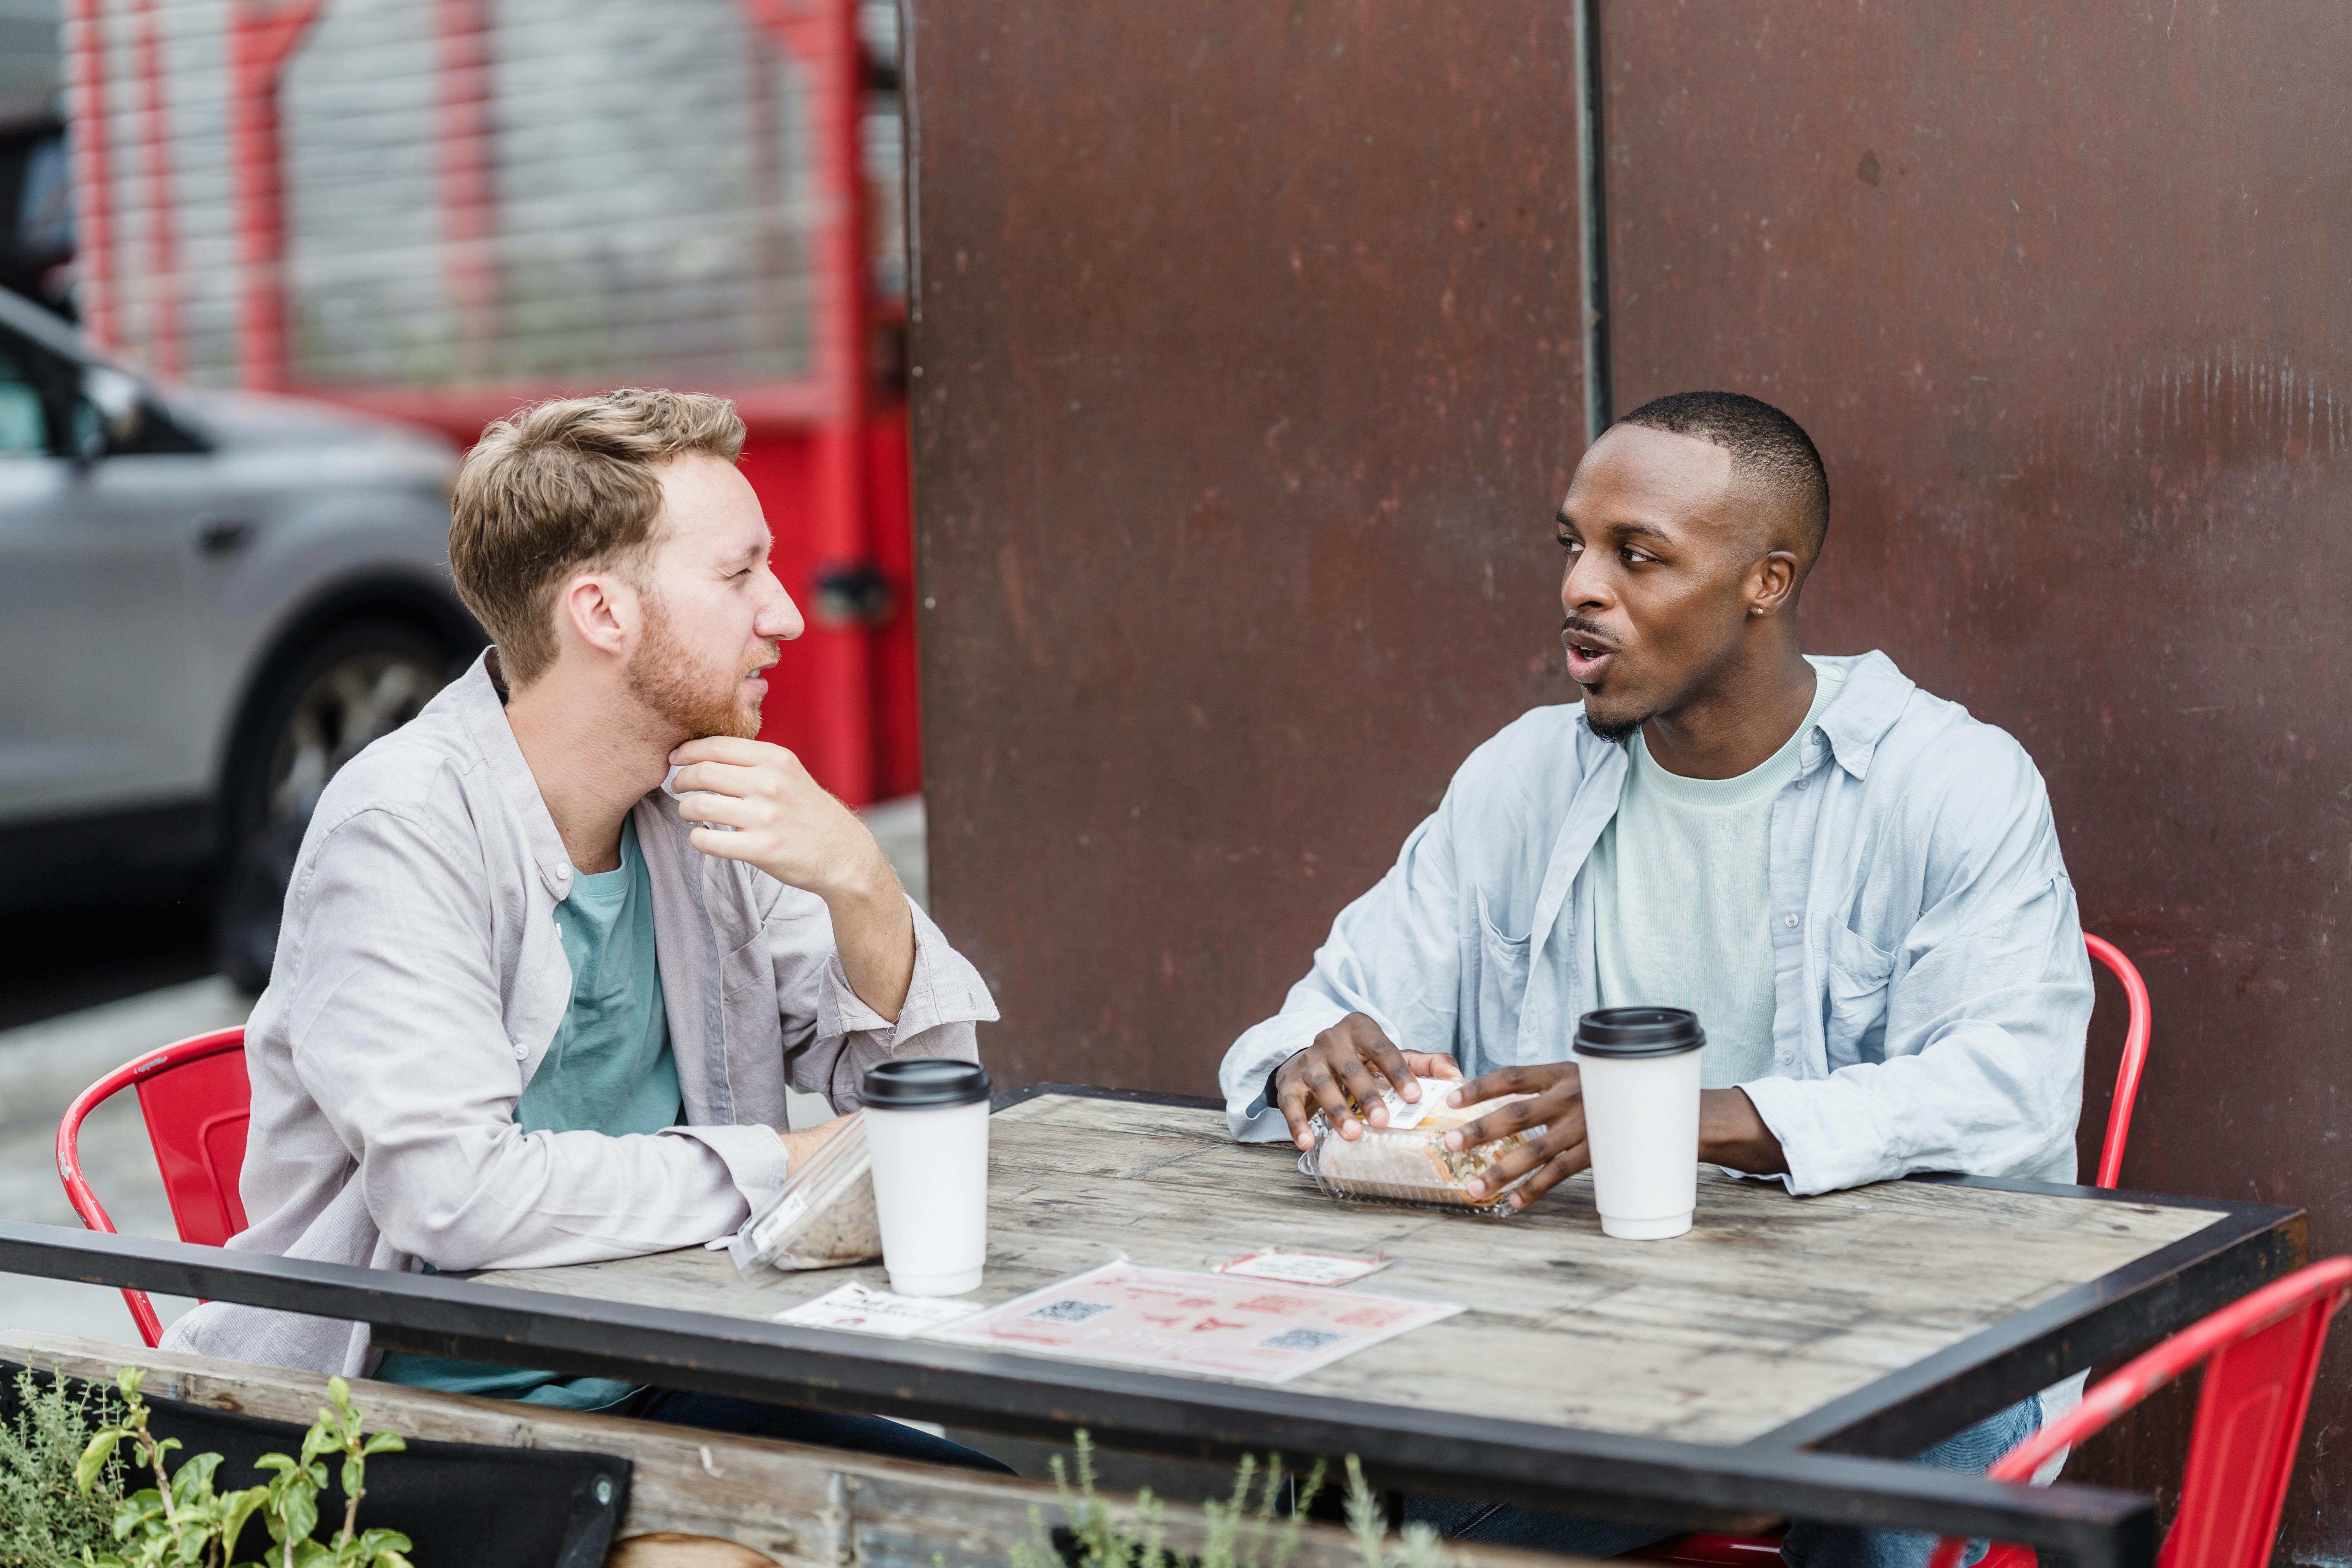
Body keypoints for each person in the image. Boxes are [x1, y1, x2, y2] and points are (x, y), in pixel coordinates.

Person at [1218, 391, 2091, 1564]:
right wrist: (1307, 1061)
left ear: (1764, 583)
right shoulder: (1522, 776)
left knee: (1867, 1505)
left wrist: (1687, 1120)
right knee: (1330, 1513)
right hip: (1599, 1348)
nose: (1580, 585)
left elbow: (2009, 1090)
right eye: (1572, 545)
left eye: (1638, 557)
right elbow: (1328, 1006)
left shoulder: (1950, 783)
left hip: (1918, 1347)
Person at [163, 390, 1004, 1469]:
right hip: (399, 1436)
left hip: (669, 1376)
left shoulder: (708, 798)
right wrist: (782, 1164)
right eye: (739, 574)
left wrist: (861, 883)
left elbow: (930, 1125)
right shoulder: (403, 830)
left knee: (999, 1514)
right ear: (604, 615)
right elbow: (454, 1199)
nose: (787, 613)